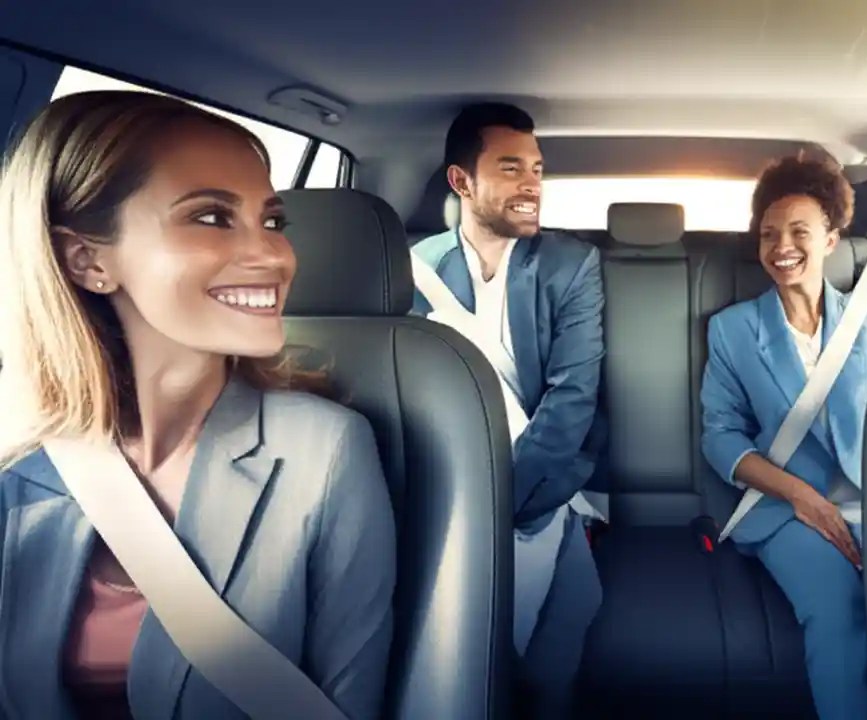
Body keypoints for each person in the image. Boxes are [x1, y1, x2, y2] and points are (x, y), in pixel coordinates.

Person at [0, 91, 396, 720]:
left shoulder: (325, 451)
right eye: (211, 218)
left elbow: (347, 701)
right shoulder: (14, 456)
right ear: (87, 260)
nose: (273, 255)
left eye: (272, 221)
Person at [409, 102, 605, 719]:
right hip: (445, 481)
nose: (532, 185)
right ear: (461, 181)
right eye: (512, 168)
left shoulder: (571, 265)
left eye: (539, 170)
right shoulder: (413, 269)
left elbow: (571, 401)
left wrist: (506, 499)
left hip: (533, 488)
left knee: (494, 646)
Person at [701, 153, 867, 719]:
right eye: (768, 234)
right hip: (783, 507)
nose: (781, 245)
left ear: (831, 238)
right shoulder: (733, 328)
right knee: (841, 609)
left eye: (799, 231)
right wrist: (803, 498)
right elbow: (720, 433)